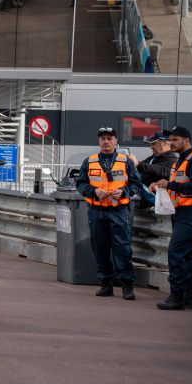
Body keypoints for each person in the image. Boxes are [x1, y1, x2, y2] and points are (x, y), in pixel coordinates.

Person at [75, 127, 142, 301]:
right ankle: (106, 284)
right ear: (99, 141)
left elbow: (136, 184)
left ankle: (127, 286)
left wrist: (124, 192)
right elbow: (81, 184)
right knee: (100, 248)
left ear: (115, 140)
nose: (106, 141)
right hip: (97, 212)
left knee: (123, 248)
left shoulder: (126, 161)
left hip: (119, 211)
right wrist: (94, 191)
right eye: (103, 138)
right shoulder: (89, 162)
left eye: (109, 138)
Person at [150, 125, 192, 310]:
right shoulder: (180, 161)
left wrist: (170, 185)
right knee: (186, 254)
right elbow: (176, 184)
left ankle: (176, 297)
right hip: (179, 212)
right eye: (170, 140)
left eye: (175, 140)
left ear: (186, 140)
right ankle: (188, 297)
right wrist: (159, 185)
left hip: (191, 211)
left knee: (175, 251)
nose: (170, 143)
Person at [130, 132, 178, 207]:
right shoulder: (153, 157)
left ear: (165, 143)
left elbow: (162, 170)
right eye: (150, 144)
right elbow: (140, 167)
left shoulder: (172, 158)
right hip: (146, 196)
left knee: (130, 197)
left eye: (153, 144)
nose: (151, 147)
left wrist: (139, 163)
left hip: (158, 199)